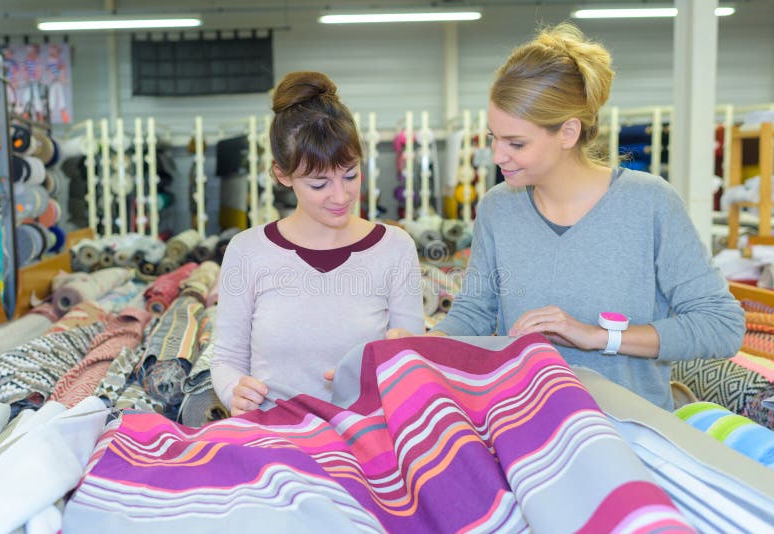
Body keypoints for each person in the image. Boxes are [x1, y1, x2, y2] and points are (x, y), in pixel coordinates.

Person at [389, 23, 744, 411]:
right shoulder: (498, 208)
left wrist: (597, 336)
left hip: (628, 432)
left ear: (568, 132)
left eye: (516, 143)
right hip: (525, 428)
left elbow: (721, 326)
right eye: (493, 137)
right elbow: (474, 314)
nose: (497, 155)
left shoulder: (650, 204)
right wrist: (421, 348)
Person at [212, 71, 424, 416]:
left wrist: (400, 359)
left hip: (367, 439)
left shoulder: (395, 248)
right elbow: (226, 360)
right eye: (318, 183)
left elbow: (410, 359)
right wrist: (233, 390)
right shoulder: (247, 251)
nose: (340, 196)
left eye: (351, 174)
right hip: (276, 438)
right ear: (283, 174)